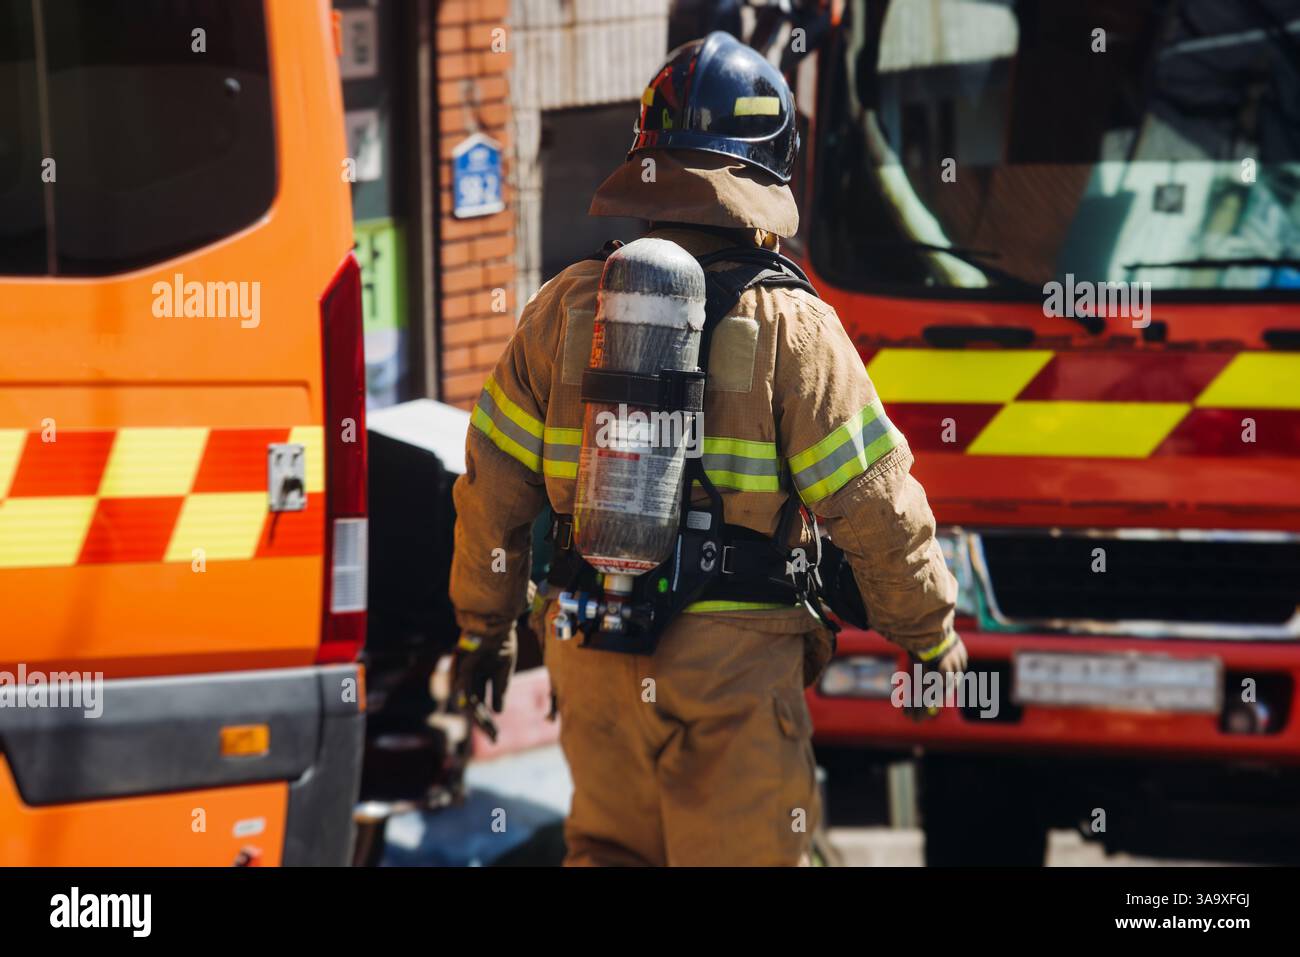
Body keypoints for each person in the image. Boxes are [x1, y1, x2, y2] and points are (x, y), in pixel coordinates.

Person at [449, 31, 965, 866]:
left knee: (610, 853)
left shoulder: (560, 310)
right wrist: (930, 633)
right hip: (728, 672)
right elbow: (878, 505)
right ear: (767, 175)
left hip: (592, 650)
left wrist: (483, 629)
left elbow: (490, 494)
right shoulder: (791, 326)